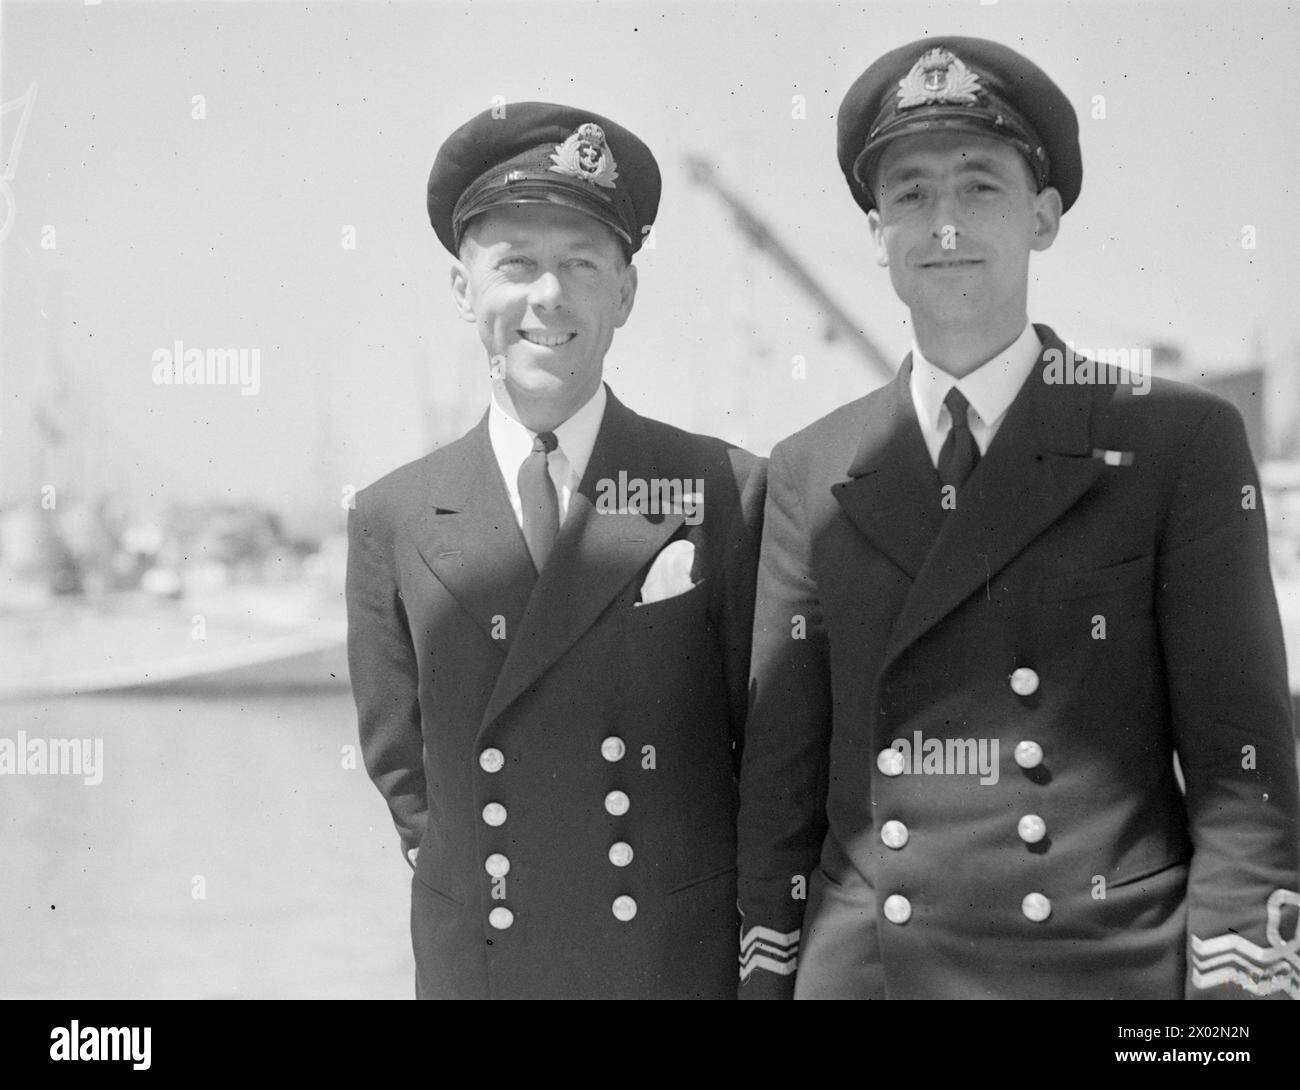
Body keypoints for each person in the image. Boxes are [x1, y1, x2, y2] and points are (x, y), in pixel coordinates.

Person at [735, 36, 1299, 1000]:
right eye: (909, 195)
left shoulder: (1174, 442)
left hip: (1102, 974)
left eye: (980, 187)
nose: (944, 224)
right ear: (877, 235)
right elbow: (781, 791)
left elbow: (1241, 769)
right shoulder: (809, 470)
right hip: (875, 976)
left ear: (1043, 218)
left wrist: (1231, 1014)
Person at [346, 102, 765, 999]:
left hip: (669, 967)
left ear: (625, 292)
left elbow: (767, 753)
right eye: (517, 265)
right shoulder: (395, 515)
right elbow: (403, 768)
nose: (550, 297)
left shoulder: (726, 487)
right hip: (485, 970)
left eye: (581, 264)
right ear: (464, 289)